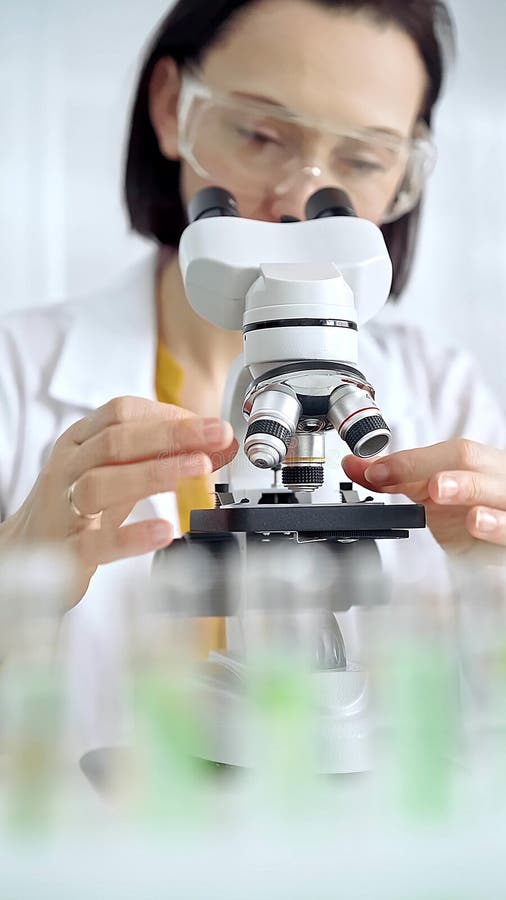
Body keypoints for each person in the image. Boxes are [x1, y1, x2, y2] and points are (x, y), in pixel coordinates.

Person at [0, 0, 505, 745]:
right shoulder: (14, 373)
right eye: (261, 135)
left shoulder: (444, 388)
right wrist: (15, 584)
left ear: (405, 174)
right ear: (173, 109)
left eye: (361, 161)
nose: (300, 203)